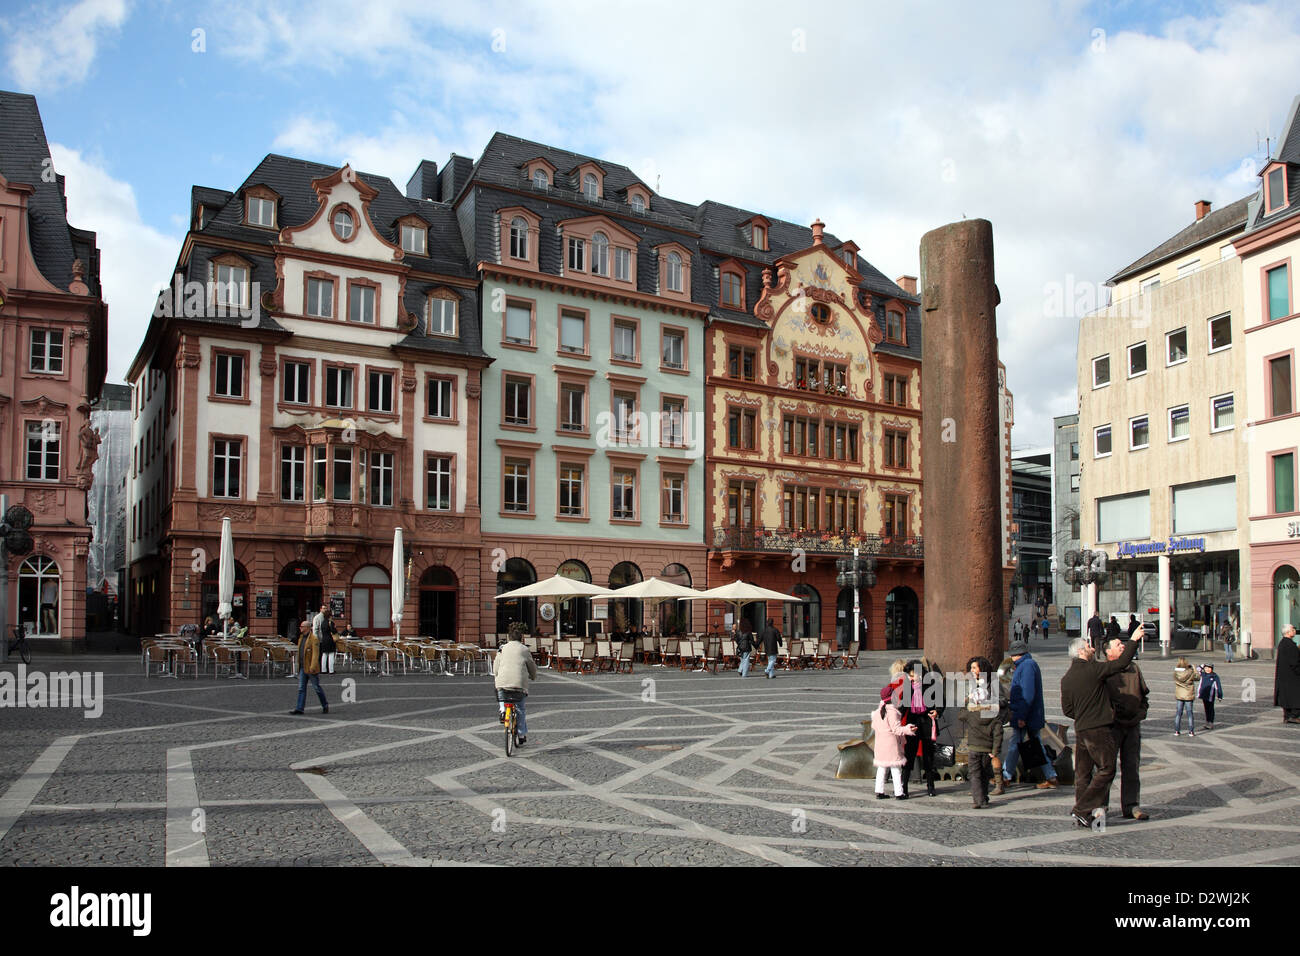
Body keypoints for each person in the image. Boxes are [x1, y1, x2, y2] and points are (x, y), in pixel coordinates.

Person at [1060, 634, 1140, 828]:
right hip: (1098, 729)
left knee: (1083, 774)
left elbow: (1067, 710)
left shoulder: (1067, 678)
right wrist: (1134, 640)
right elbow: (1120, 664)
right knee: (1107, 769)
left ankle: (1084, 816)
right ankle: (1081, 809)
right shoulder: (1093, 669)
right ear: (1081, 651)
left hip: (1081, 729)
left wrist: (1083, 714)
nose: (1092, 649)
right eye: (1088, 646)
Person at [1001, 639, 1059, 791]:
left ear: (1015, 654)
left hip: (1026, 715)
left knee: (1019, 744)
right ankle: (1050, 776)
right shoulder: (1027, 665)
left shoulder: (1026, 666)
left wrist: (1021, 716)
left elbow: (1027, 694)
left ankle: (1006, 776)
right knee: (1031, 744)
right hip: (1029, 715)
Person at [1103, 636, 1150, 821]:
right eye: (1118, 645)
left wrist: (1141, 712)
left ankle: (1131, 805)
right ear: (1108, 652)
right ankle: (1101, 806)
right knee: (1106, 768)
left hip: (1132, 725)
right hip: (1112, 727)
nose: (1122, 646)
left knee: (1131, 766)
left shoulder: (1134, 668)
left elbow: (1144, 695)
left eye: (1123, 644)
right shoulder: (1104, 670)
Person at [959, 657, 1003, 809]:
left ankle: (995, 786)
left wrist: (986, 704)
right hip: (977, 723)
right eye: (971, 668)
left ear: (982, 669)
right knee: (982, 768)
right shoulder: (974, 683)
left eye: (975, 668)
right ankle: (982, 795)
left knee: (981, 768)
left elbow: (1002, 700)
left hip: (989, 721)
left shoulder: (993, 683)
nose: (972, 671)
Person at [901, 658, 943, 797]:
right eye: (909, 675)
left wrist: (937, 711)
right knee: (909, 755)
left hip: (927, 721)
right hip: (913, 722)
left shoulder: (931, 683)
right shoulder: (908, 685)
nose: (910, 677)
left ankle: (931, 786)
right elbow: (904, 706)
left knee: (928, 756)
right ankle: (903, 786)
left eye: (912, 674)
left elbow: (941, 700)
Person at [492, 626, 538, 745]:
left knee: (501, 690)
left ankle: (502, 709)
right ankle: (521, 734)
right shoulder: (524, 649)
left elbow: (495, 668)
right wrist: (533, 676)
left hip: (502, 684)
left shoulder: (502, 649)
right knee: (520, 709)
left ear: (509, 638)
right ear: (521, 639)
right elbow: (531, 666)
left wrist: (497, 674)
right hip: (518, 684)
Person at [871, 681, 917, 799]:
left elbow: (874, 727)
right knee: (896, 768)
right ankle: (899, 793)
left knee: (881, 768)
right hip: (891, 745)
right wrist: (908, 729)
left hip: (880, 744)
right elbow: (896, 729)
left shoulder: (877, 712)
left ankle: (879, 791)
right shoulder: (892, 712)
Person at [289, 620, 328, 715]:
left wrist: (313, 666)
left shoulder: (314, 639)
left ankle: (325, 705)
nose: (300, 628)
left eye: (302, 626)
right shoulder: (301, 638)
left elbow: (315, 654)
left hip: (310, 668)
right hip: (303, 667)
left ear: (307, 627)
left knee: (316, 688)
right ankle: (299, 708)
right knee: (301, 688)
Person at [1274, 624, 1300, 725]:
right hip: (1292, 676)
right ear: (1288, 632)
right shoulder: (1289, 645)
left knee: (1288, 697)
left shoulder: (1283, 643)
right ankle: (1293, 716)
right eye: (1293, 629)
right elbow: (1295, 662)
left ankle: (1287, 716)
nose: (1295, 631)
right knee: (1295, 697)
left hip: (1285, 676)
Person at [1173, 656, 1197, 736]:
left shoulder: (1176, 672)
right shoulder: (1190, 671)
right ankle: (1191, 731)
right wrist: (1194, 669)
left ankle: (1177, 730)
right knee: (1190, 714)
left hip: (1179, 695)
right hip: (1188, 695)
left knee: (1178, 713)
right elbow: (1198, 677)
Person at [1197, 663, 1223, 730]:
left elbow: (1218, 686)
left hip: (1210, 696)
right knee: (1206, 709)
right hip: (1204, 695)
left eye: (1209, 668)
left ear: (1212, 669)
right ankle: (1207, 722)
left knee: (1211, 709)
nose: (1207, 669)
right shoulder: (1203, 674)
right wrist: (1202, 665)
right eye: (1206, 668)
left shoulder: (1214, 676)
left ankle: (1211, 722)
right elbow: (1197, 669)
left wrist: (1219, 695)